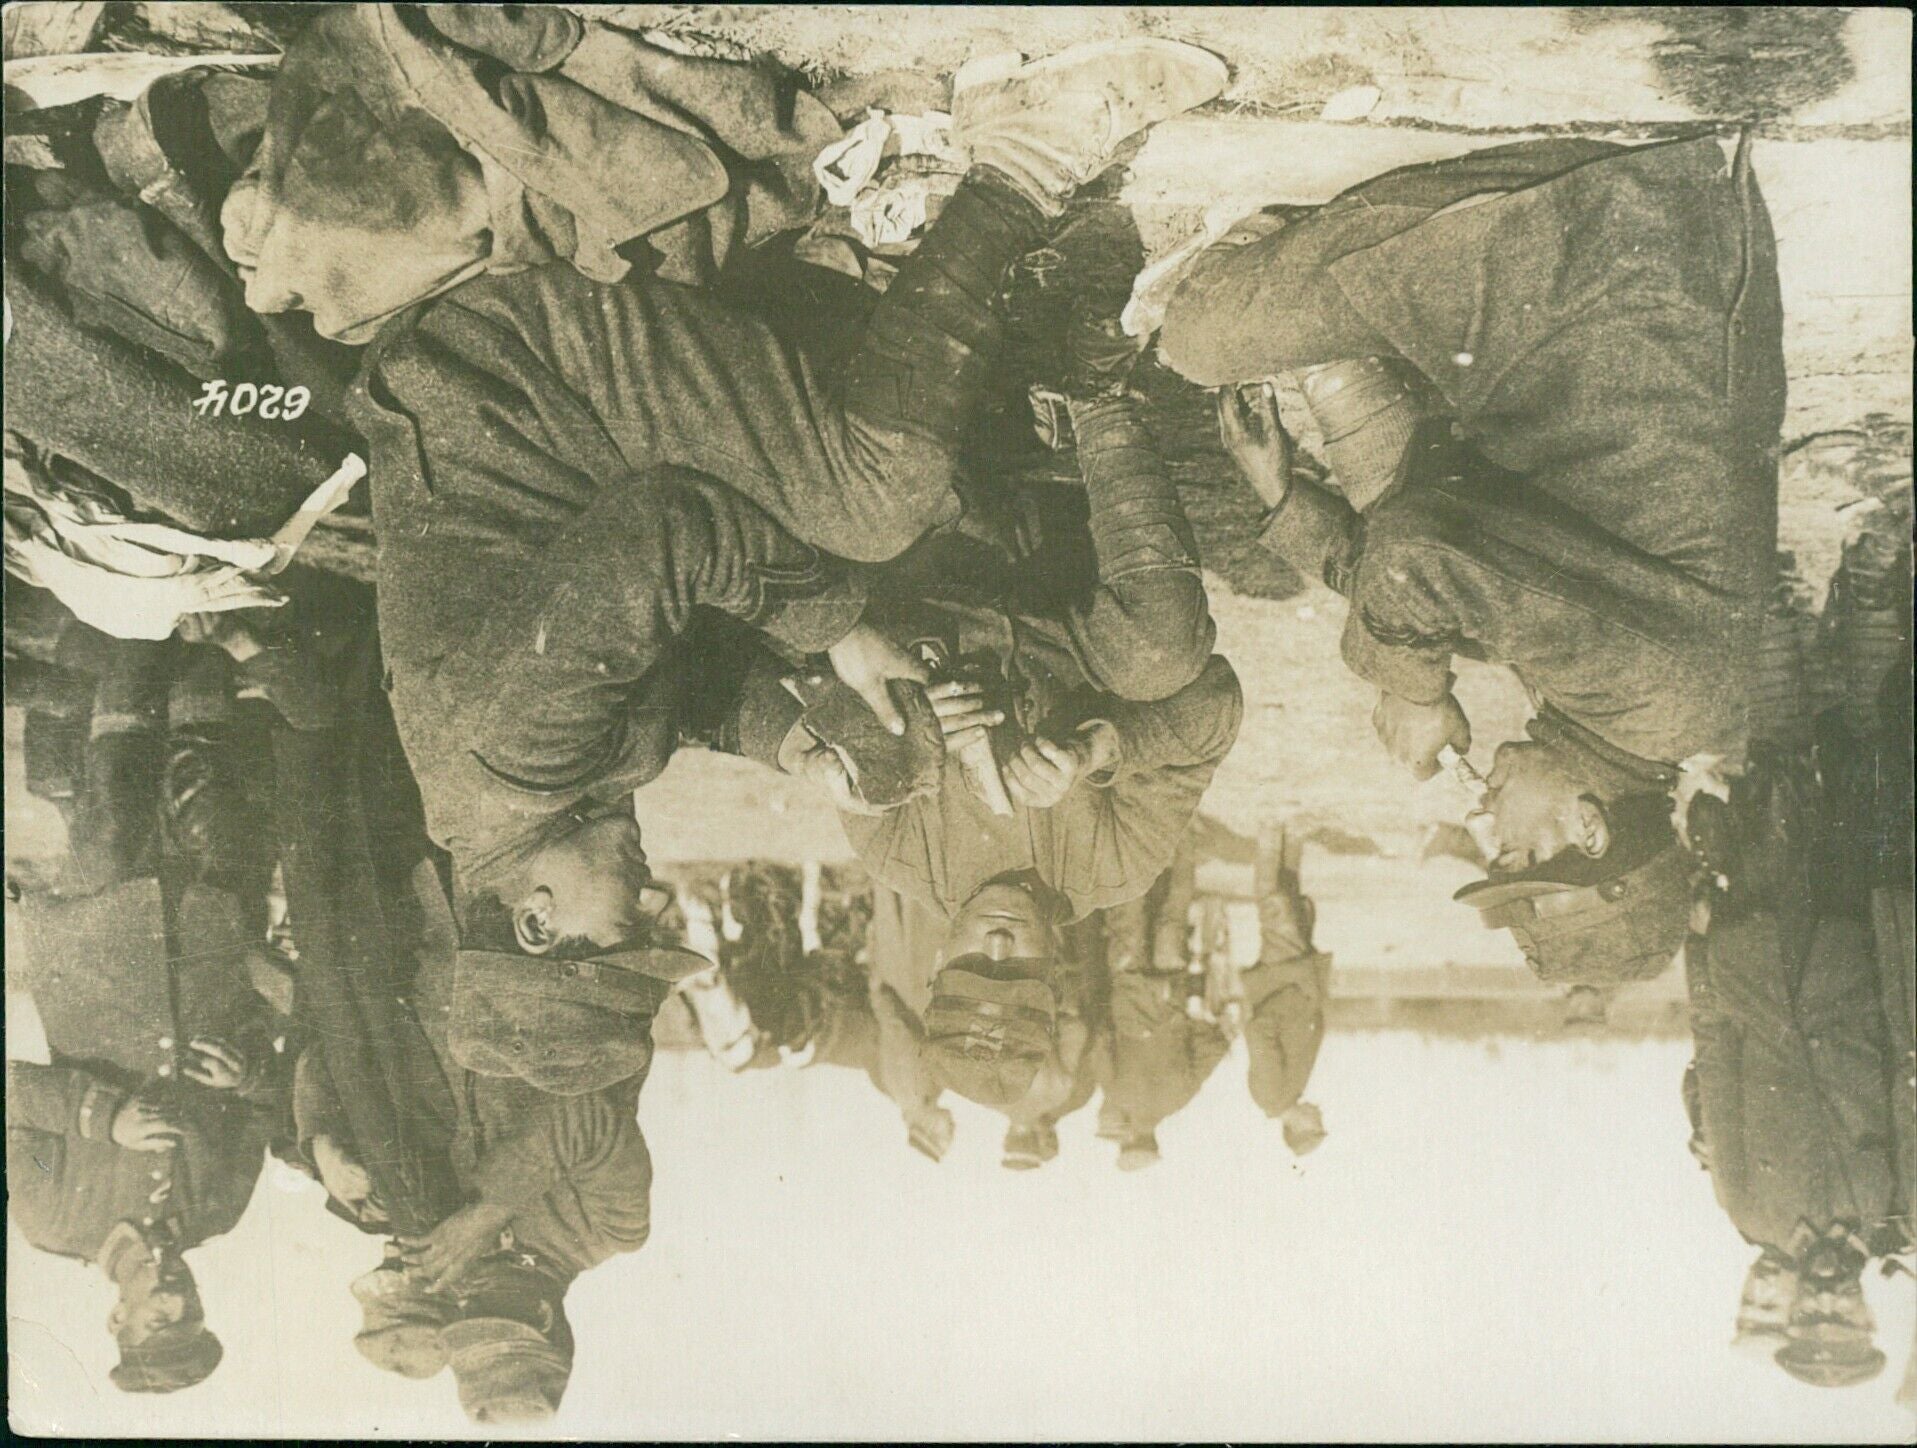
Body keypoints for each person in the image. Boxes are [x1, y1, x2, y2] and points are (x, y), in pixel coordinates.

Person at [350, 39, 1231, 1082]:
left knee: (874, 493)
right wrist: (797, 750)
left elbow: (664, 530)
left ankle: (1025, 146)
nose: (652, 900)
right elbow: (685, 700)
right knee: (863, 511)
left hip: (521, 378)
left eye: (628, 923)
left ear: (537, 921)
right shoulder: (523, 799)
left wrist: (842, 637)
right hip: (568, 423)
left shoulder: (508, 760)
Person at [1163, 136, 1786, 988]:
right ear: (1590, 828)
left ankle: (1334, 334)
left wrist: (1285, 504)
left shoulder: (1634, 727)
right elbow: (1417, 557)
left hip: (1615, 287)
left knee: (1255, 340)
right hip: (1595, 242)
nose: (1486, 817)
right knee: (1197, 333)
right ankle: (1330, 303)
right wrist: (1411, 690)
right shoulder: (1650, 699)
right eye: (1516, 847)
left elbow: (1458, 589)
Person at [1679, 520, 1912, 1391]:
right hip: (1856, 948)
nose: (1824, 1308)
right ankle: (1875, 574)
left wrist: (1701, 954)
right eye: (1841, 1322)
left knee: (1772, 762)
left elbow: (1715, 1055)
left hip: (1753, 952)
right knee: (1857, 753)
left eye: (1809, 1323)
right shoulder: (1899, 1212)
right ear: (1863, 1315)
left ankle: (1764, 585)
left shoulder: (1744, 1208)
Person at [7, 879, 286, 1394]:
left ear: (118, 1319)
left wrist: (105, 1118)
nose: (177, 1300)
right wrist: (247, 1078)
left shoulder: (49, 1223)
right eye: (193, 1311)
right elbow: (268, 1109)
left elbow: (11, 1096)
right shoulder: (218, 1211)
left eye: (160, 1320)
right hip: (207, 928)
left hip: (89, 926)